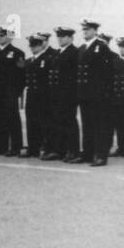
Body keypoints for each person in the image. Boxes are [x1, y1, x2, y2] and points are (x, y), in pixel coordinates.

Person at [75, 19, 112, 166]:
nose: (85, 32)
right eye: (84, 30)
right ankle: (88, 154)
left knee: (99, 126)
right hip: (84, 94)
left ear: (95, 31)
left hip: (98, 94)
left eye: (88, 30)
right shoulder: (82, 48)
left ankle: (101, 155)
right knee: (87, 124)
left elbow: (107, 74)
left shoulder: (101, 47)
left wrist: (104, 93)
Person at [0, 25, 26, 156]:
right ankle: (1, 146)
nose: (0, 38)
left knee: (12, 119)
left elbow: (21, 75)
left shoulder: (17, 53)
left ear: (9, 37)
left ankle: (16, 146)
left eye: (2, 35)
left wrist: (17, 91)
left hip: (9, 92)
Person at [48, 26, 80, 162]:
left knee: (69, 122)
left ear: (70, 38)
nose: (60, 39)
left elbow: (75, 76)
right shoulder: (57, 53)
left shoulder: (74, 52)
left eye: (63, 36)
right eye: (59, 36)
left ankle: (72, 151)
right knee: (57, 121)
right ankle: (59, 150)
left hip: (68, 94)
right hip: (56, 94)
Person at [23, 32, 55, 159]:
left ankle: (47, 148)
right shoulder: (29, 61)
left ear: (42, 45)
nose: (33, 48)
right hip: (31, 95)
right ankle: (33, 148)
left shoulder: (48, 60)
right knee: (31, 122)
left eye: (36, 45)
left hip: (44, 96)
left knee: (45, 123)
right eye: (31, 45)